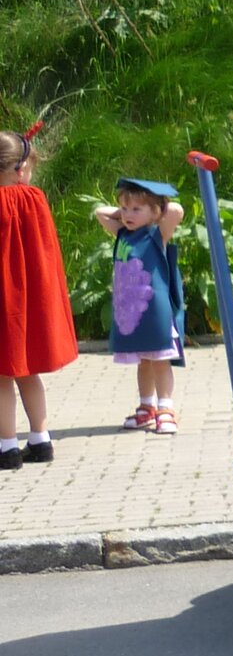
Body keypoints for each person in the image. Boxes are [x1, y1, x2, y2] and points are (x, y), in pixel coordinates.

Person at [0, 125, 78, 469]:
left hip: (4, 303)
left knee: (1, 375)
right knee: (28, 371)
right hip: (29, 300)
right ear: (19, 169)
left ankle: (6, 447)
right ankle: (40, 439)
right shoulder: (34, 198)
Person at [94, 177, 187, 435]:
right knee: (143, 362)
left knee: (160, 360)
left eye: (136, 209)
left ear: (156, 212)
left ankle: (166, 408)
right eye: (125, 209)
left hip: (155, 312)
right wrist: (127, 212)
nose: (128, 215)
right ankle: (147, 407)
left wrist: (154, 209)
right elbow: (100, 213)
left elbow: (177, 211)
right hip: (132, 314)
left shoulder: (157, 234)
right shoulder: (124, 234)